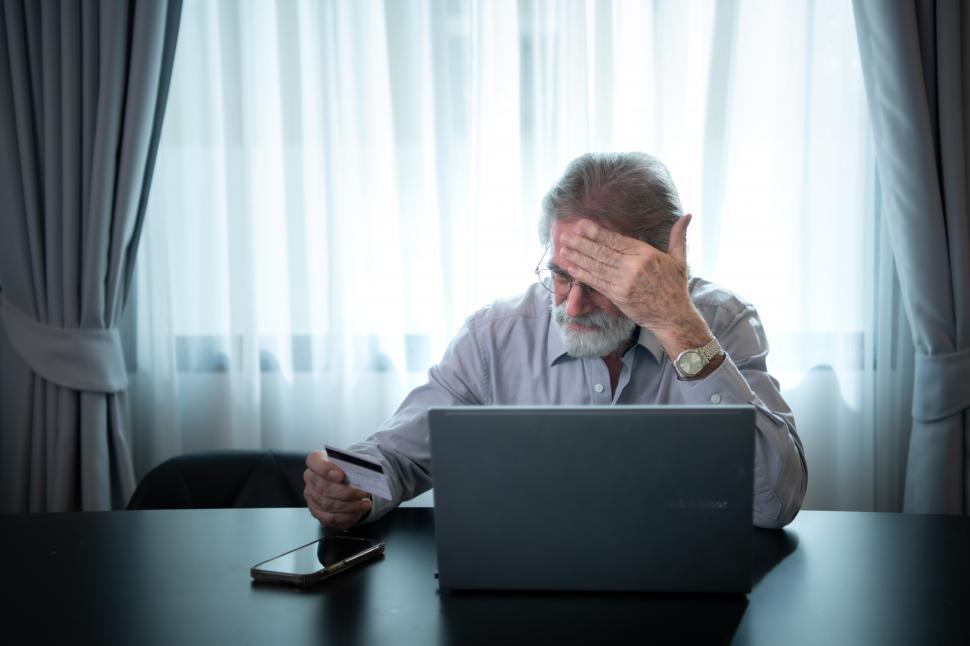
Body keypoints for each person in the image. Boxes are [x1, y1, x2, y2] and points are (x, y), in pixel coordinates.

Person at [303, 152, 807, 530]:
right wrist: (349, 485)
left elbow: (775, 504)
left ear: (658, 268)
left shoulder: (718, 322)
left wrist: (678, 325)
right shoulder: (495, 335)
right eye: (561, 276)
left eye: (603, 282)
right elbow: (397, 455)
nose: (574, 306)